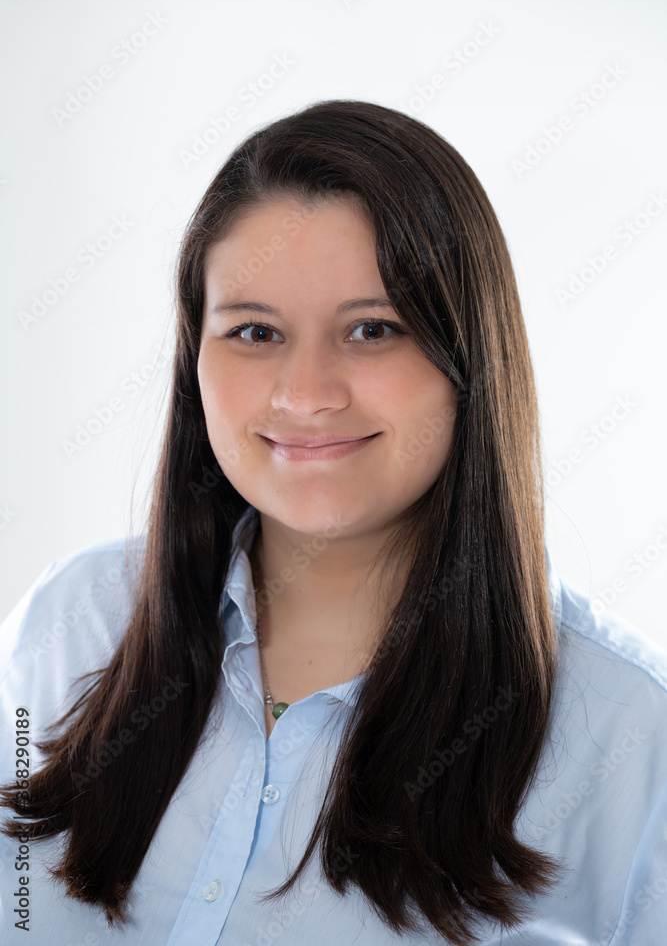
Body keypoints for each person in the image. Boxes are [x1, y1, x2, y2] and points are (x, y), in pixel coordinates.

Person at [1, 99, 666, 946]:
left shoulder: (635, 741)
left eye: (371, 329)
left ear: (470, 359)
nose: (306, 393)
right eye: (253, 331)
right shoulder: (66, 628)